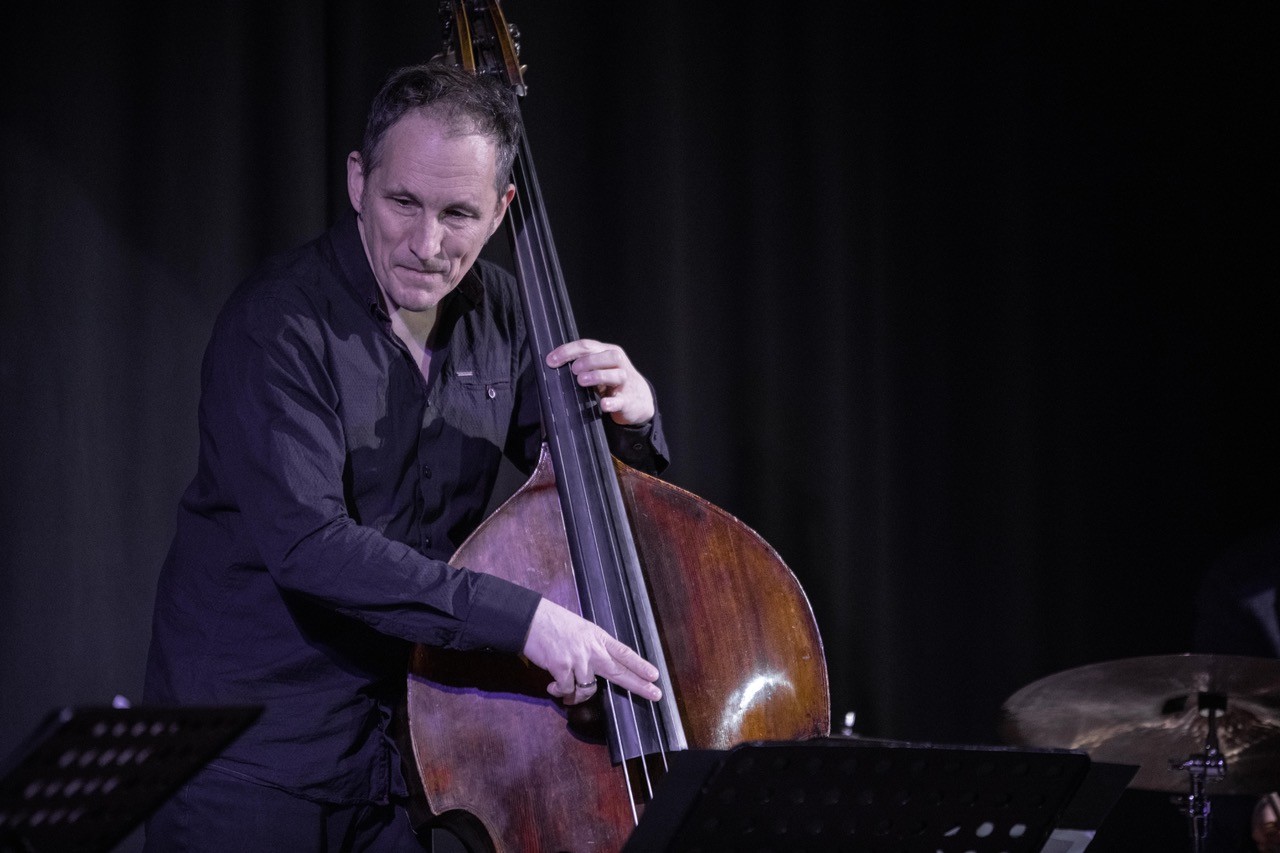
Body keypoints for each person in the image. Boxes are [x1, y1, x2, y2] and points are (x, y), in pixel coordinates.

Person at [142, 60, 667, 852]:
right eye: (402, 203)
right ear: (358, 181)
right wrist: (526, 623)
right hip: (247, 757)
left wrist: (633, 420)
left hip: (398, 758)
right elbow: (310, 547)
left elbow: (568, 499)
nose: (426, 244)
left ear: (502, 211)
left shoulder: (505, 319)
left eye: (458, 212)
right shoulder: (277, 325)